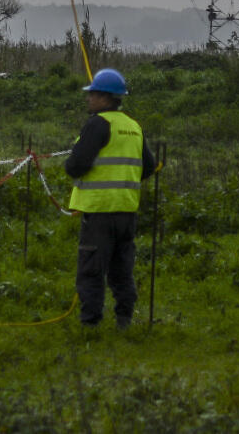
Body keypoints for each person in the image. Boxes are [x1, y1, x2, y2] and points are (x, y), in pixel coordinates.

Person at [60, 65, 158, 330]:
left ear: (106, 98)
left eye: (93, 94)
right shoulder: (134, 127)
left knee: (92, 269)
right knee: (121, 269)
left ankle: (90, 324)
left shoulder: (97, 124)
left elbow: (75, 166)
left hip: (99, 212)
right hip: (126, 212)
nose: (88, 99)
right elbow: (148, 167)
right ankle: (124, 319)